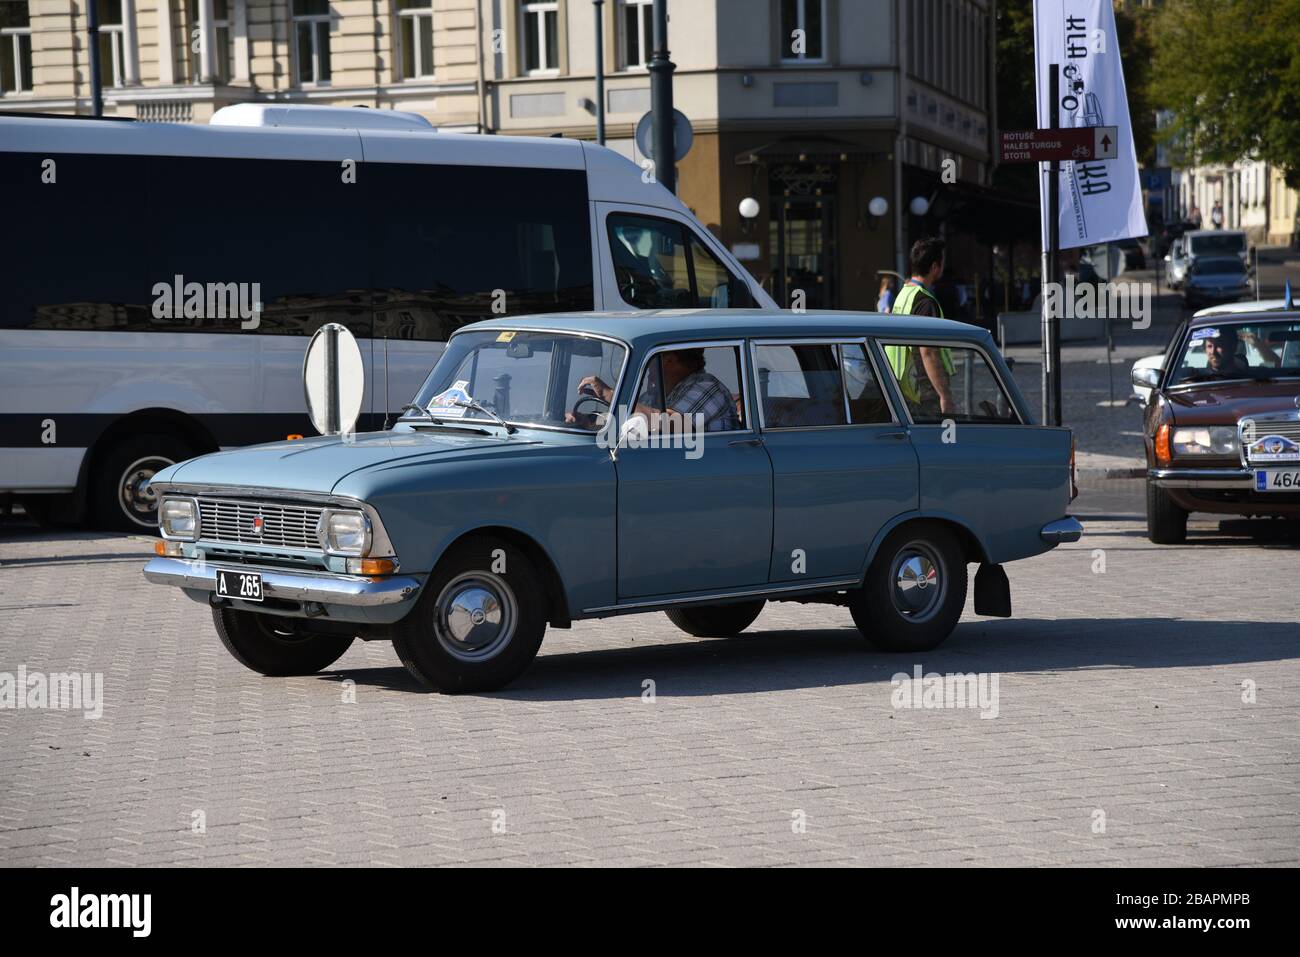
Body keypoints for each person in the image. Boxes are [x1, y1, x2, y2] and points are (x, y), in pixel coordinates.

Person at [577, 348, 740, 433]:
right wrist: (589, 421)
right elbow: (629, 423)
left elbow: (671, 422)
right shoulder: (652, 396)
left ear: (668, 360)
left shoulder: (706, 387)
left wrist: (611, 395)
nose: (647, 369)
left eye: (650, 360)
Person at [885, 237, 955, 416]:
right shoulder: (925, 302)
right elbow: (928, 352)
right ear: (934, 267)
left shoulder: (903, 294)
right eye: (941, 264)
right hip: (923, 391)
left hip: (903, 385)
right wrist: (944, 395)